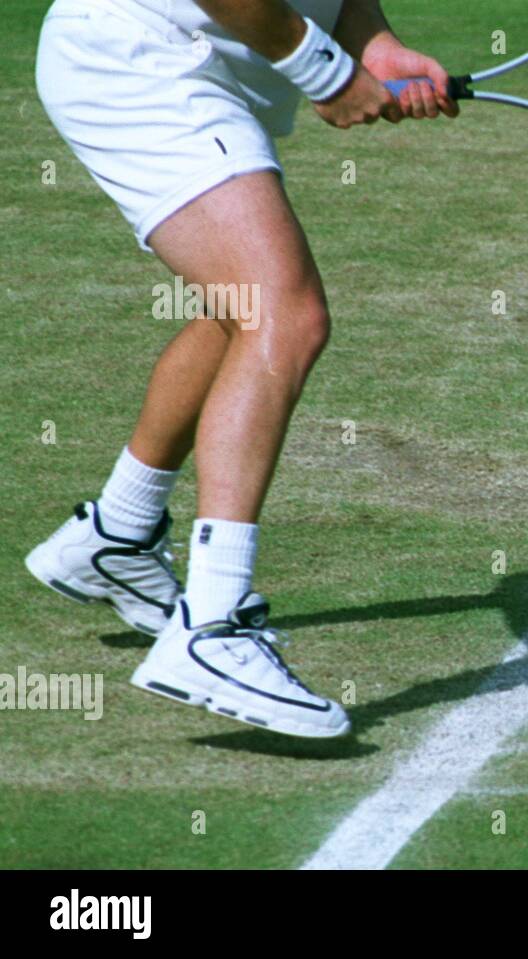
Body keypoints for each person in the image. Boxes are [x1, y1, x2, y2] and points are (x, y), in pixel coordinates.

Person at [26, 0, 456, 738]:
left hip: (208, 65)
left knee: (240, 305)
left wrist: (371, 42)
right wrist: (321, 67)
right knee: (284, 315)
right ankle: (212, 628)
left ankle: (117, 535)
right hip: (139, 58)